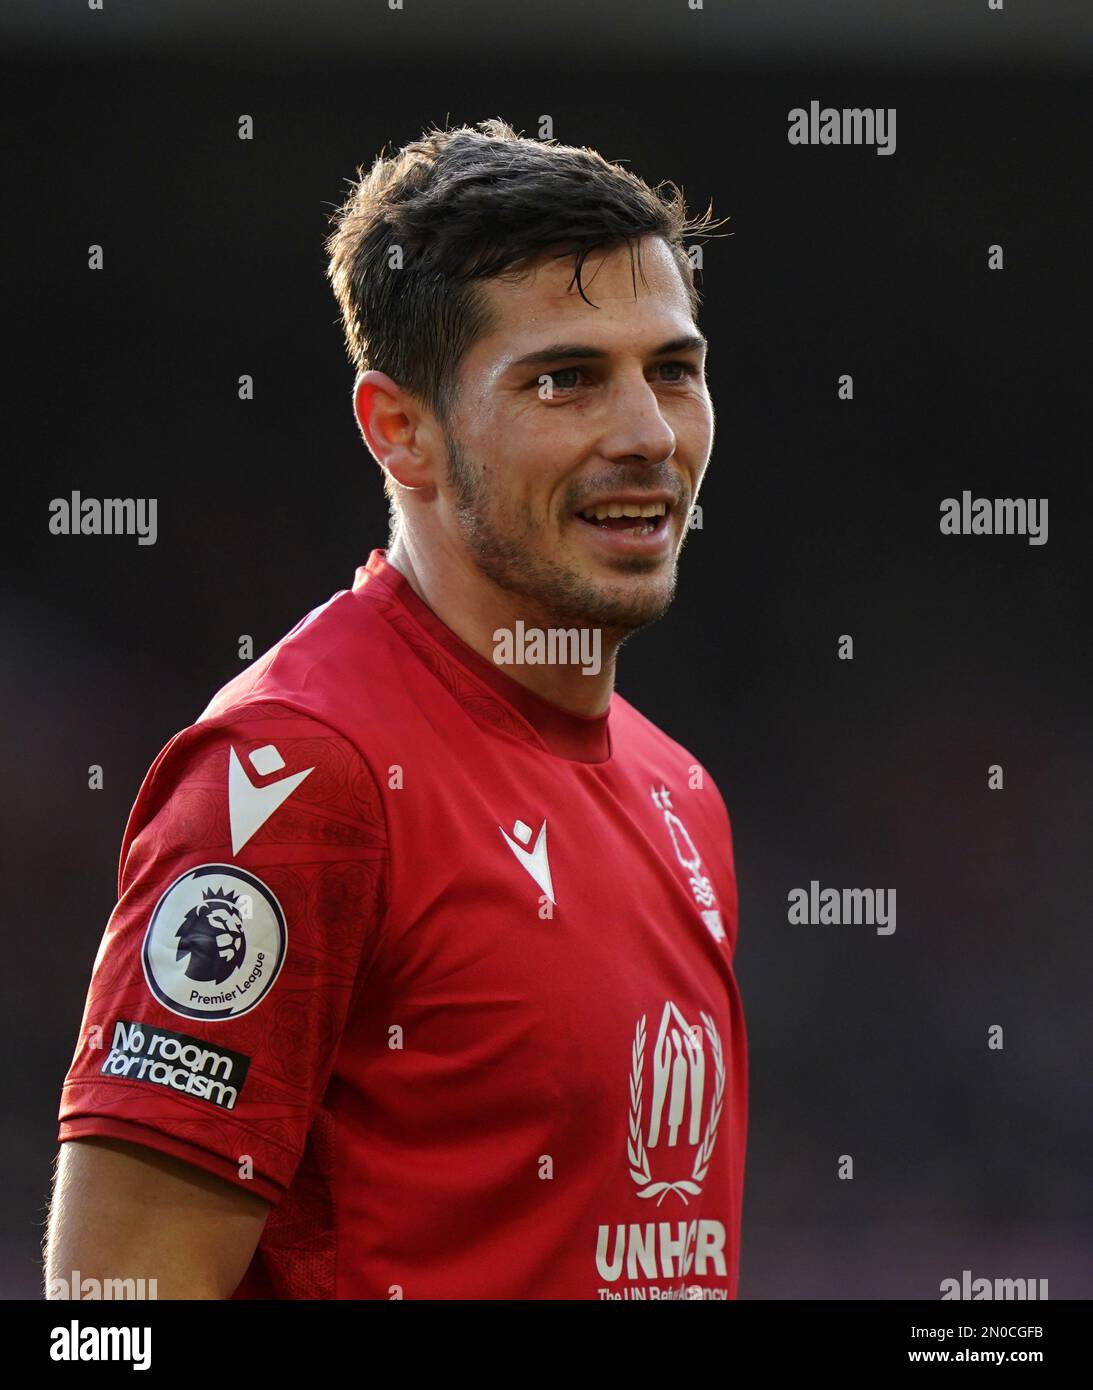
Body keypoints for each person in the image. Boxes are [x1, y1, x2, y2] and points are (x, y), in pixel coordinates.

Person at [45, 119, 747, 1300]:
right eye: (564, 379)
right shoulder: (293, 777)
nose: (645, 436)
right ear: (399, 430)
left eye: (671, 370)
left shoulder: (680, 791)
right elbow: (105, 1317)